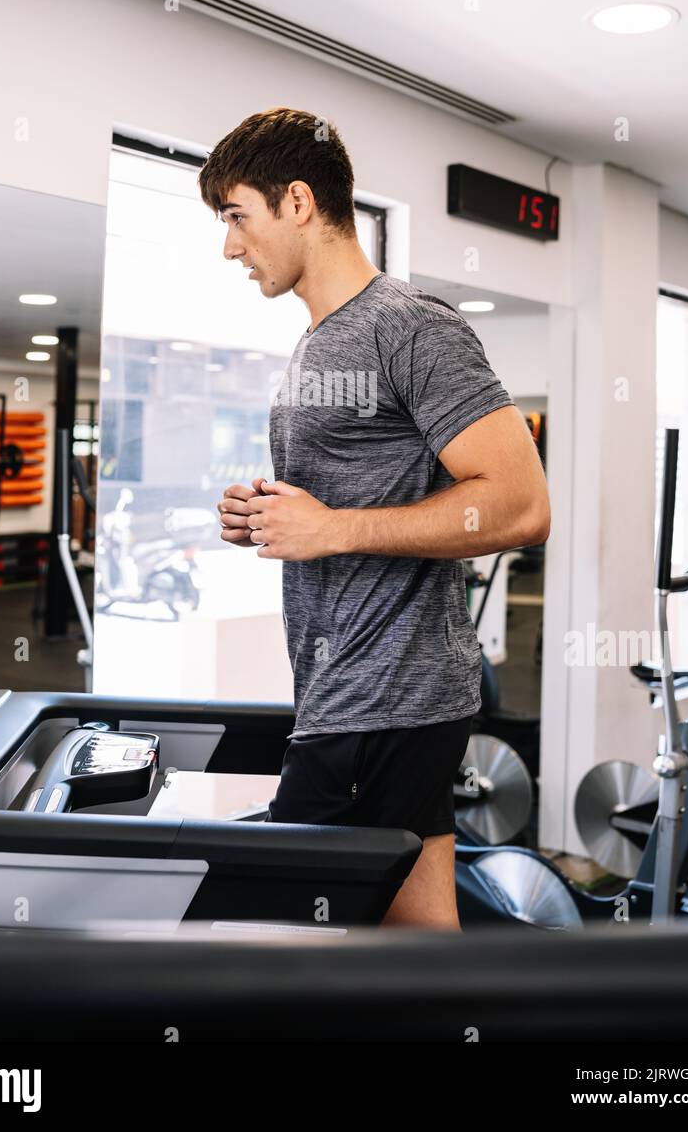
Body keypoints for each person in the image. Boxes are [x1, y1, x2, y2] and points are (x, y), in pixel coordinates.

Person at [199, 108, 550, 929]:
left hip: (385, 693)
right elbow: (346, 502)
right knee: (417, 933)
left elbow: (523, 502)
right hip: (358, 693)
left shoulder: (410, 325)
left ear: (296, 202)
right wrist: (270, 518)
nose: (230, 246)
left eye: (236, 217)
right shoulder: (318, 340)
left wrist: (335, 529)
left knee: (272, 930)